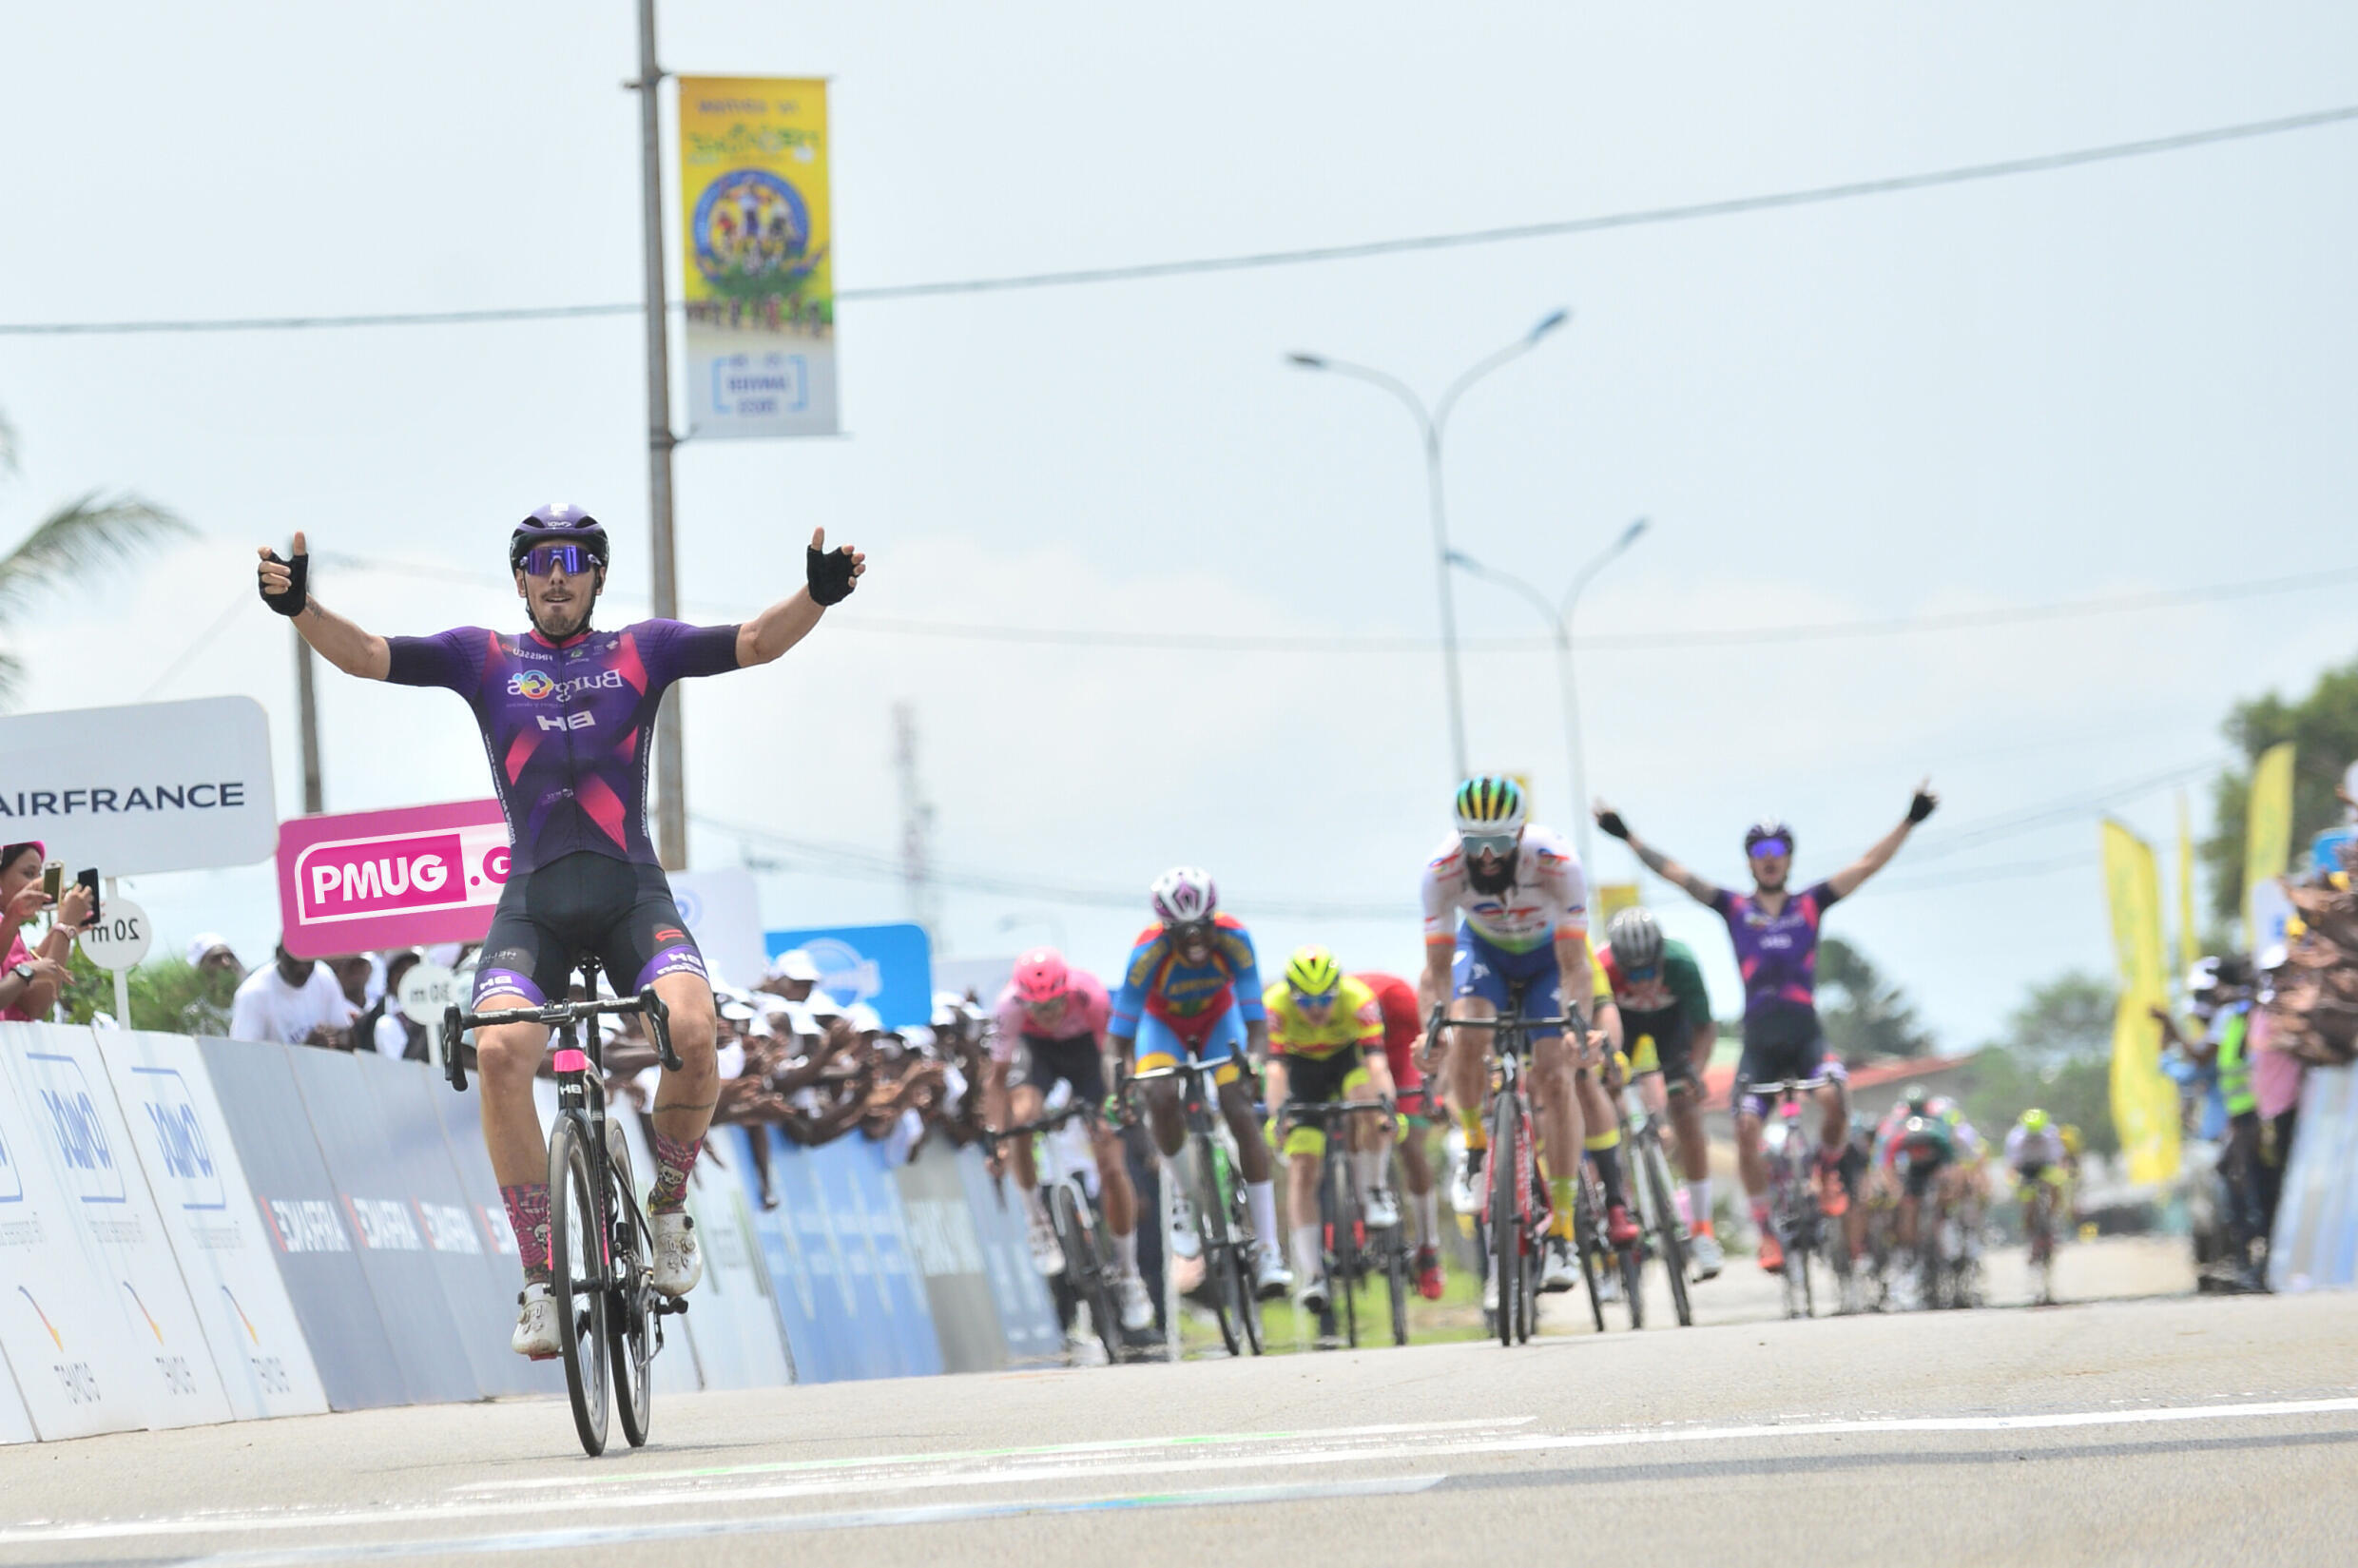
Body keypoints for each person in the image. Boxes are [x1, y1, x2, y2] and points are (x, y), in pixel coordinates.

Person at [256, 503, 864, 1359]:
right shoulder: (483, 658)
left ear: (597, 575)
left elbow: (757, 640)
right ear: (518, 578)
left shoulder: (642, 650)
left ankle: (668, 1208)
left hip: (631, 897)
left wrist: (816, 596)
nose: (556, 573)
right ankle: (542, 1276)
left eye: (574, 558)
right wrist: (302, 611)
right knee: (501, 1052)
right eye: (539, 560)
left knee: (692, 1030)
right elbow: (366, 657)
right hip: (534, 902)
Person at [1595, 784, 1938, 1272]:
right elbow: (1678, 875)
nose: (1770, 859)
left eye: (1778, 851)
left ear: (1790, 859)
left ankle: (1826, 1173)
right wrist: (1627, 836)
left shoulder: (1810, 905)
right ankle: (1764, 1233)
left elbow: (1865, 866)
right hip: (1759, 1042)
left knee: (1834, 1098)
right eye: (1760, 852)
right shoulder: (1736, 909)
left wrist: (1910, 820)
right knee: (1746, 1126)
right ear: (1750, 862)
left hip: (1806, 1038)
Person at [1421, 775, 1633, 1307]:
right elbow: (1436, 973)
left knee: (1559, 1074)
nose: (1487, 857)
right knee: (1468, 1032)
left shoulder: (1558, 863)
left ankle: (1561, 1229)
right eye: (1474, 843)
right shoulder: (1441, 871)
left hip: (1546, 963)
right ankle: (1473, 1146)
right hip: (1484, 954)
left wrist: (1576, 1031)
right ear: (1458, 840)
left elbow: (1575, 966)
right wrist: (1435, 1033)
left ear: (1521, 835)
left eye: (1499, 843)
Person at [1111, 866, 1289, 1299]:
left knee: (1240, 1108)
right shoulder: (1146, 953)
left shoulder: (1235, 940)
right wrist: (1122, 1086)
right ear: (1164, 928)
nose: (1194, 941)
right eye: (1182, 932)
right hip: (1163, 1027)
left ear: (1214, 918)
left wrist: (1255, 1064)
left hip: (1219, 1022)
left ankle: (1268, 1248)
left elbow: (1257, 1026)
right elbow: (1117, 1041)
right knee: (1160, 1093)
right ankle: (1185, 1200)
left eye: (1201, 929)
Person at [988, 948, 1153, 1331]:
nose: (1048, 1015)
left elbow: (1115, 1057)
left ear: (1067, 991)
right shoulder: (1008, 1007)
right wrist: (997, 1135)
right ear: (1021, 1000)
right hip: (1038, 1055)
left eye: (1054, 1005)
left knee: (1112, 1163)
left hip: (1090, 1056)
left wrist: (1117, 1104)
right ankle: (1036, 1220)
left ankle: (1129, 1275)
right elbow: (996, 1081)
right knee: (1022, 1120)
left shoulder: (1091, 994)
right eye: (1038, 1008)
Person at [1595, 905, 1725, 1279]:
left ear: (1661, 958)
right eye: (1631, 974)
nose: (1642, 982)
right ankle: (1616, 1204)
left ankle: (1702, 1229)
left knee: (1685, 1107)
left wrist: (1692, 1074)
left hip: (1673, 1029)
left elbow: (1704, 1028)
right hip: (1623, 1029)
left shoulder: (1682, 963)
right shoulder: (1601, 969)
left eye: (1650, 971)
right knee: (1601, 1102)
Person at [1263, 945, 1391, 1314]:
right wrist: (1278, 1118)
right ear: (1291, 996)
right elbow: (1275, 1072)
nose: (1316, 1009)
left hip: (1346, 1061)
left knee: (1365, 1098)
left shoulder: (1358, 999)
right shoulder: (1275, 1005)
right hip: (1303, 1072)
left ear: (1338, 991)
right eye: (1305, 1001)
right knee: (1303, 1168)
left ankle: (1375, 1190)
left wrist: (1384, 1108)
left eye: (1324, 999)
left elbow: (1377, 1062)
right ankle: (1313, 1274)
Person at [1356, 968, 1447, 1299]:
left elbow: (1434, 1052)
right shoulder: (1347, 1006)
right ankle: (1359, 1204)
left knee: (1411, 1148)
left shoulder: (1400, 999)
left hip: (1402, 1054)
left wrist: (1434, 1095)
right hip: (1361, 1058)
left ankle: (1429, 1249)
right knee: (1357, 1116)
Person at [0, 842, 90, 1021]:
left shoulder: (8, 926)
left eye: (39, 875)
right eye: (28, 874)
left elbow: (26, 971)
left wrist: (58, 932)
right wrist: (64, 927)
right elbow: (36, 1003)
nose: (37, 883)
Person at [229, 941, 358, 1047]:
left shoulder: (324, 976)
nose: (301, 968)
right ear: (278, 954)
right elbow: (244, 1056)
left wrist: (330, 1036)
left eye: (308, 960)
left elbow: (345, 1035)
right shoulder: (253, 993)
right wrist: (303, 1050)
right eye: (294, 960)